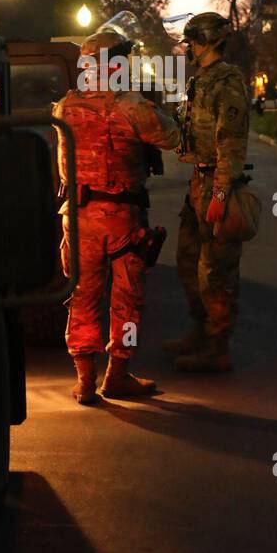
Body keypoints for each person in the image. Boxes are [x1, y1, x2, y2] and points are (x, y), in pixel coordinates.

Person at [53, 30, 179, 403]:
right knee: (127, 299)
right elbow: (173, 137)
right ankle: (118, 375)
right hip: (122, 216)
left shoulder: (65, 106)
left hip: (77, 218)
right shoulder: (131, 106)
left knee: (82, 295)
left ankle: (85, 381)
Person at [164, 12, 249, 372]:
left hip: (216, 186)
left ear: (208, 41)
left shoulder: (228, 81)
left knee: (216, 270)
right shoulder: (202, 79)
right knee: (187, 261)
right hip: (198, 182)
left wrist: (218, 197)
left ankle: (218, 346)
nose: (190, 48)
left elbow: (229, 145)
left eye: (193, 41)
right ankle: (200, 331)